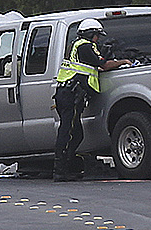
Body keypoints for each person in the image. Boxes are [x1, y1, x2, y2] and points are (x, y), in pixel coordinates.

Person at [53, 19, 126, 181]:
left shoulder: (76, 45)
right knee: (68, 131)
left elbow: (92, 66)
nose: (98, 39)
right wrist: (123, 62)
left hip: (67, 92)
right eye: (96, 36)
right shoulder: (85, 46)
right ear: (90, 34)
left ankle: (67, 165)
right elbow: (104, 65)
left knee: (76, 134)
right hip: (70, 94)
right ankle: (60, 170)